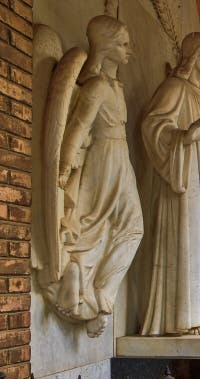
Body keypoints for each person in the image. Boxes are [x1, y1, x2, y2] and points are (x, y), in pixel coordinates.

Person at [37, 15, 143, 338]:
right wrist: (65, 160)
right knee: (96, 222)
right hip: (104, 157)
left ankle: (96, 290)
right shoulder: (96, 87)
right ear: (108, 47)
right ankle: (79, 275)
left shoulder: (114, 86)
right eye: (123, 44)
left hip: (120, 157)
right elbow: (79, 125)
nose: (129, 51)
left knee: (130, 226)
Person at [140, 33, 200, 336]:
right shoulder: (174, 88)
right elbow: (153, 127)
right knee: (188, 243)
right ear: (193, 56)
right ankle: (182, 320)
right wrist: (189, 134)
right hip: (185, 183)